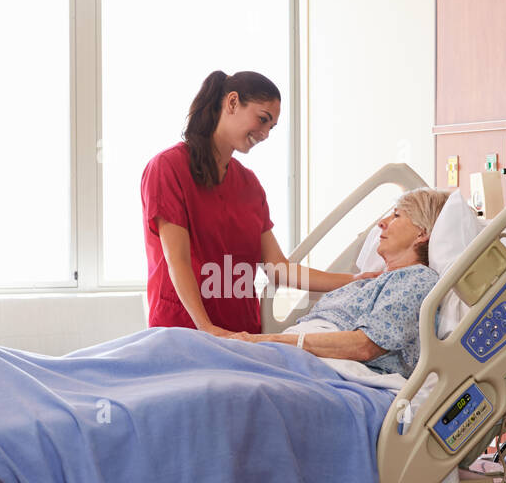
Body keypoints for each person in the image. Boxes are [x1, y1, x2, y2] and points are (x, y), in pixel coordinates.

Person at [141, 70, 368, 337]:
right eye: (262, 119)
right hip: (184, 332)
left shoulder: (249, 185)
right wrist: (207, 329)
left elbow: (279, 268)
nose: (265, 134)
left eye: (271, 127)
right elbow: (176, 260)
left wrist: (352, 281)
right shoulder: (168, 168)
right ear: (233, 102)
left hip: (242, 334)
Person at [230, 187, 450, 378]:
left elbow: (364, 347)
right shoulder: (373, 282)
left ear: (422, 232)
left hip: (324, 367)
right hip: (298, 356)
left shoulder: (417, 279)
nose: (382, 224)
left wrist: (265, 341)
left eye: (396, 216)